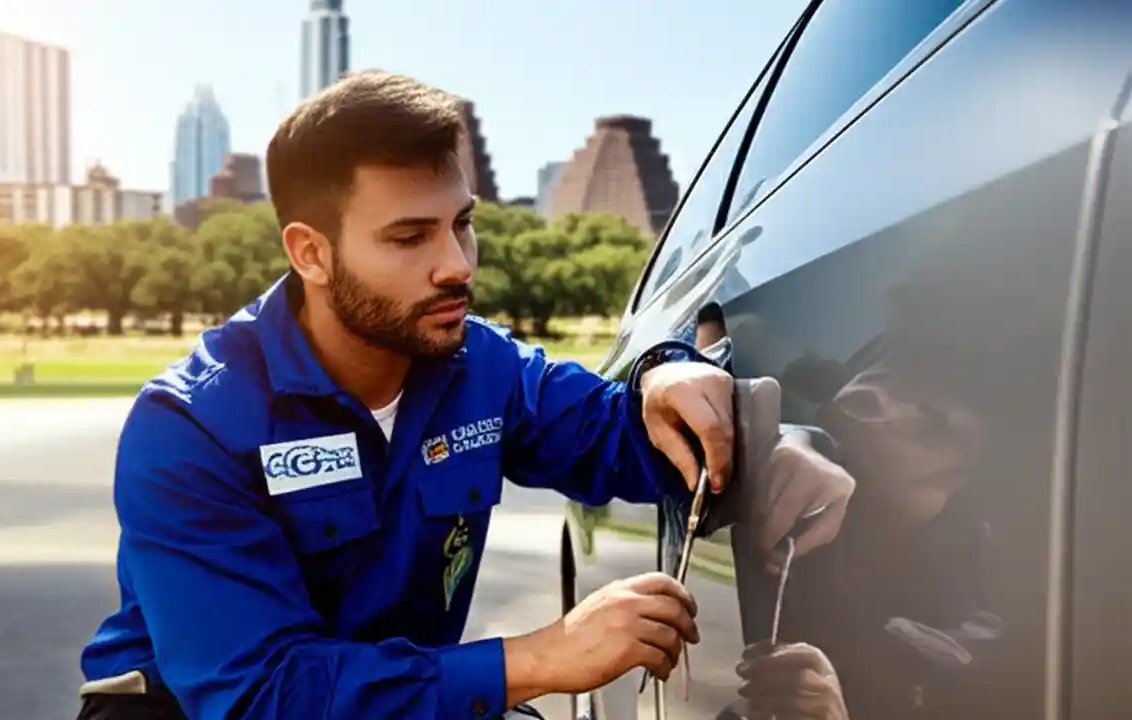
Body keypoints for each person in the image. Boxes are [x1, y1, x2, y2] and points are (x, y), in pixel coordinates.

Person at [74, 70, 737, 720]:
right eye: (410, 236)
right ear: (311, 253)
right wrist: (538, 659)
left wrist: (665, 374)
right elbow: (262, 696)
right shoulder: (192, 426)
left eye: (462, 224)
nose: (456, 264)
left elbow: (619, 432)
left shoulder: (480, 367)